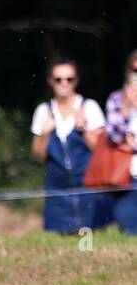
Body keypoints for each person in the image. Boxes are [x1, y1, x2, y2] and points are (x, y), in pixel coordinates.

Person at [29, 58, 106, 233]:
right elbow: (39, 155)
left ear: (76, 80)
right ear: (50, 81)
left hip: (89, 188)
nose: (64, 84)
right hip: (57, 192)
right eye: (58, 79)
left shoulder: (89, 107)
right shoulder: (43, 111)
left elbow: (100, 150)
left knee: (94, 241)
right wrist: (45, 134)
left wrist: (83, 130)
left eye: (69, 79)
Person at [102, 49, 137, 234]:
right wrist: (126, 107)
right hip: (125, 177)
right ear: (128, 72)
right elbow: (114, 137)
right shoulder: (117, 99)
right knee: (130, 232)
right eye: (135, 70)